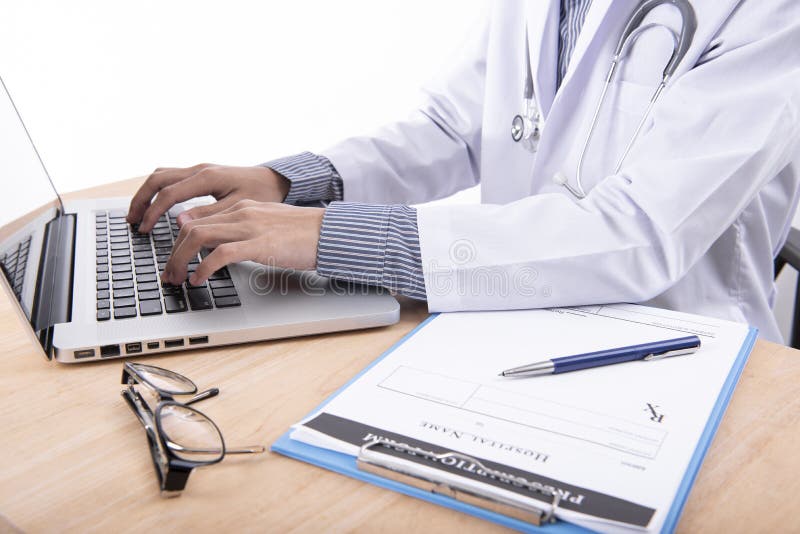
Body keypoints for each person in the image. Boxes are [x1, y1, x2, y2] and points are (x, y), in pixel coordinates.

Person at [127, 0, 800, 342]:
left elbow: (642, 230)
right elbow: (454, 125)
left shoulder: (772, 15)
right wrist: (293, 184)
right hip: (511, 316)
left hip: (680, 345)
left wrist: (330, 234)